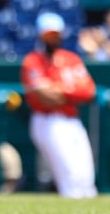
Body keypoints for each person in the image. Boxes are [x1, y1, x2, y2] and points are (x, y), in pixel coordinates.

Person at [20, 13, 97, 198]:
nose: (52, 39)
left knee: (85, 175)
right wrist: (70, 91)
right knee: (70, 175)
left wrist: (59, 91)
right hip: (47, 119)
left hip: (72, 119)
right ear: (40, 35)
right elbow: (44, 95)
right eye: (48, 35)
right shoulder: (33, 60)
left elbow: (88, 91)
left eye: (55, 34)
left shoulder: (71, 59)